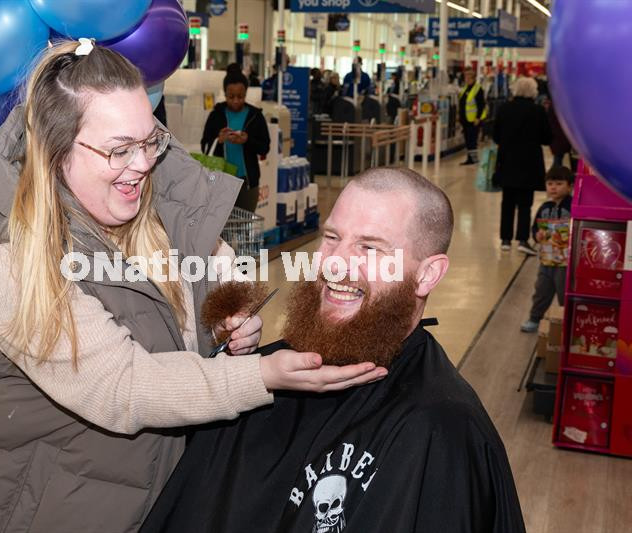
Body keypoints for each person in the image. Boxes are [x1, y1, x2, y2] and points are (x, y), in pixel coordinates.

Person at [0, 42, 383, 533]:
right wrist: (261, 376)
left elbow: (222, 269)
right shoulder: (10, 266)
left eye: (150, 142)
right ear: (54, 153)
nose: (143, 164)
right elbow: (124, 387)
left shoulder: (142, 214)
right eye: (120, 149)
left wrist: (231, 315)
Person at [142, 168, 525, 533]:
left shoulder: (442, 429)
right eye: (331, 237)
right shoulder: (267, 370)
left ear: (428, 274)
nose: (336, 263)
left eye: (369, 247)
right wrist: (229, 368)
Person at [493, 76, 552, 254]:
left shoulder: (504, 109)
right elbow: (546, 138)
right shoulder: (538, 111)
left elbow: (496, 137)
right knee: (525, 203)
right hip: (529, 163)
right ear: (533, 91)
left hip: (507, 161)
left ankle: (505, 239)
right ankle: (522, 240)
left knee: (507, 202)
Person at [201, 70, 271, 212]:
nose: (235, 100)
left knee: (243, 227)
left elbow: (264, 147)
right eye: (231, 96)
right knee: (220, 229)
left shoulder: (255, 116)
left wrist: (247, 140)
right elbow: (205, 146)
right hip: (220, 181)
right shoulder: (216, 115)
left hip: (247, 182)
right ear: (225, 94)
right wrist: (218, 139)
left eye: (240, 96)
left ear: (246, 94)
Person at [521, 166, 573, 333]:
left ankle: (566, 321)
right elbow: (535, 228)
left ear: (570, 186)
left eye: (559, 183)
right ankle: (535, 318)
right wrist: (537, 236)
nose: (553, 187)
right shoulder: (544, 207)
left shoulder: (573, 206)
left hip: (565, 262)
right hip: (546, 259)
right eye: (550, 183)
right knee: (542, 290)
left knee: (563, 291)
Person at [458, 68, 487, 165]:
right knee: (468, 139)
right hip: (465, 119)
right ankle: (470, 158)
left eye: (467, 77)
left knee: (472, 139)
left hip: (473, 120)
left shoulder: (477, 89)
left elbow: (481, 104)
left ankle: (474, 159)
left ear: (473, 78)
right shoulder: (465, 88)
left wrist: (478, 117)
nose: (465, 79)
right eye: (465, 77)